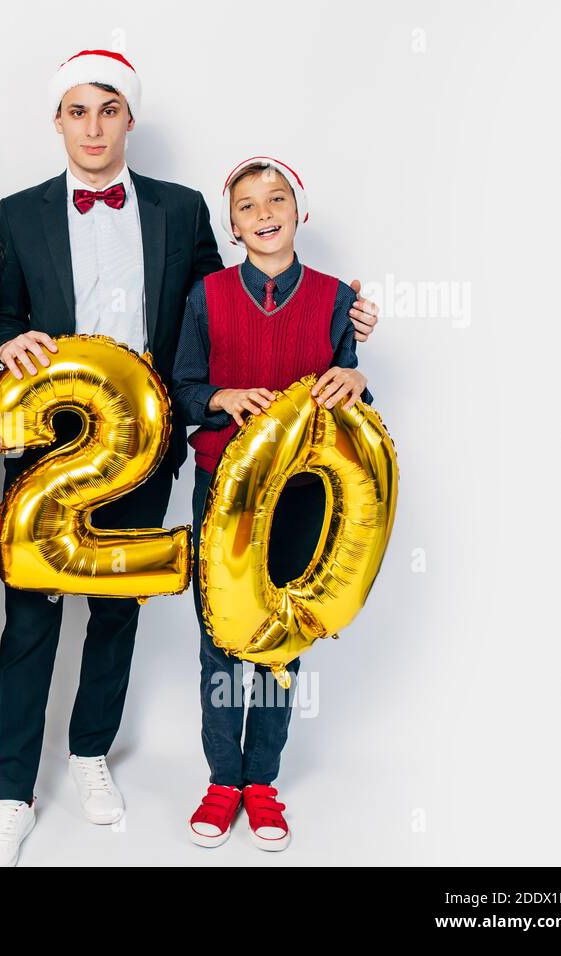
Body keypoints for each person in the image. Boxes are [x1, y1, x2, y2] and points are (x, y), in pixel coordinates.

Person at [0, 52, 379, 866]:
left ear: (130, 121)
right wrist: (7, 339)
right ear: (57, 122)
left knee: (118, 609)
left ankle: (90, 755)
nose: (93, 126)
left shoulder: (182, 208)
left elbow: (220, 314)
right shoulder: (15, 215)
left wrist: (345, 322)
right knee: (33, 620)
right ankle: (11, 795)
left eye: (109, 110)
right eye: (77, 111)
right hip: (52, 448)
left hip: (149, 448)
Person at [171, 156, 373, 852]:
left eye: (276, 199)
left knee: (284, 634)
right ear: (231, 225)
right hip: (222, 491)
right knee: (221, 634)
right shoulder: (207, 295)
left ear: (300, 210)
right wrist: (221, 398)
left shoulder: (331, 300)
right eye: (248, 205)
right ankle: (223, 777)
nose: (264, 212)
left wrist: (352, 373)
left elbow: (354, 398)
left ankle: (264, 780)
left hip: (305, 496)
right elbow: (182, 388)